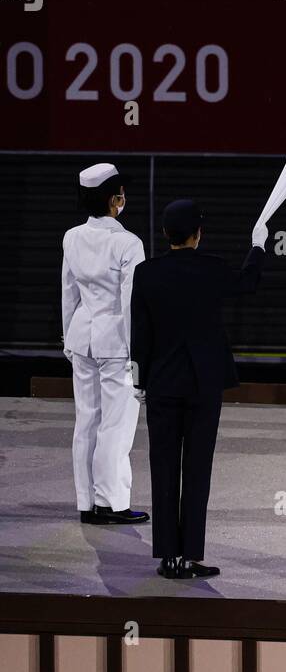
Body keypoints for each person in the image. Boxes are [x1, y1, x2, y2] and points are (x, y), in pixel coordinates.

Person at [130, 200, 267, 579]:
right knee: (196, 471)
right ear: (198, 234)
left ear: (164, 234)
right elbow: (248, 282)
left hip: (161, 384)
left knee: (163, 469)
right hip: (204, 385)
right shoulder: (212, 268)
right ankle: (189, 555)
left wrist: (139, 380)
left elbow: (140, 334)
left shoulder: (146, 274)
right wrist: (258, 247)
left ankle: (168, 559)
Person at [62, 162, 148, 526]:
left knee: (86, 422)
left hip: (82, 339)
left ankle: (87, 503)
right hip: (116, 344)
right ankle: (112, 503)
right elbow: (132, 302)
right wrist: (138, 353)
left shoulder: (71, 237)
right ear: (115, 200)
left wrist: (68, 339)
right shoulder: (128, 243)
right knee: (116, 425)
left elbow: (69, 292)